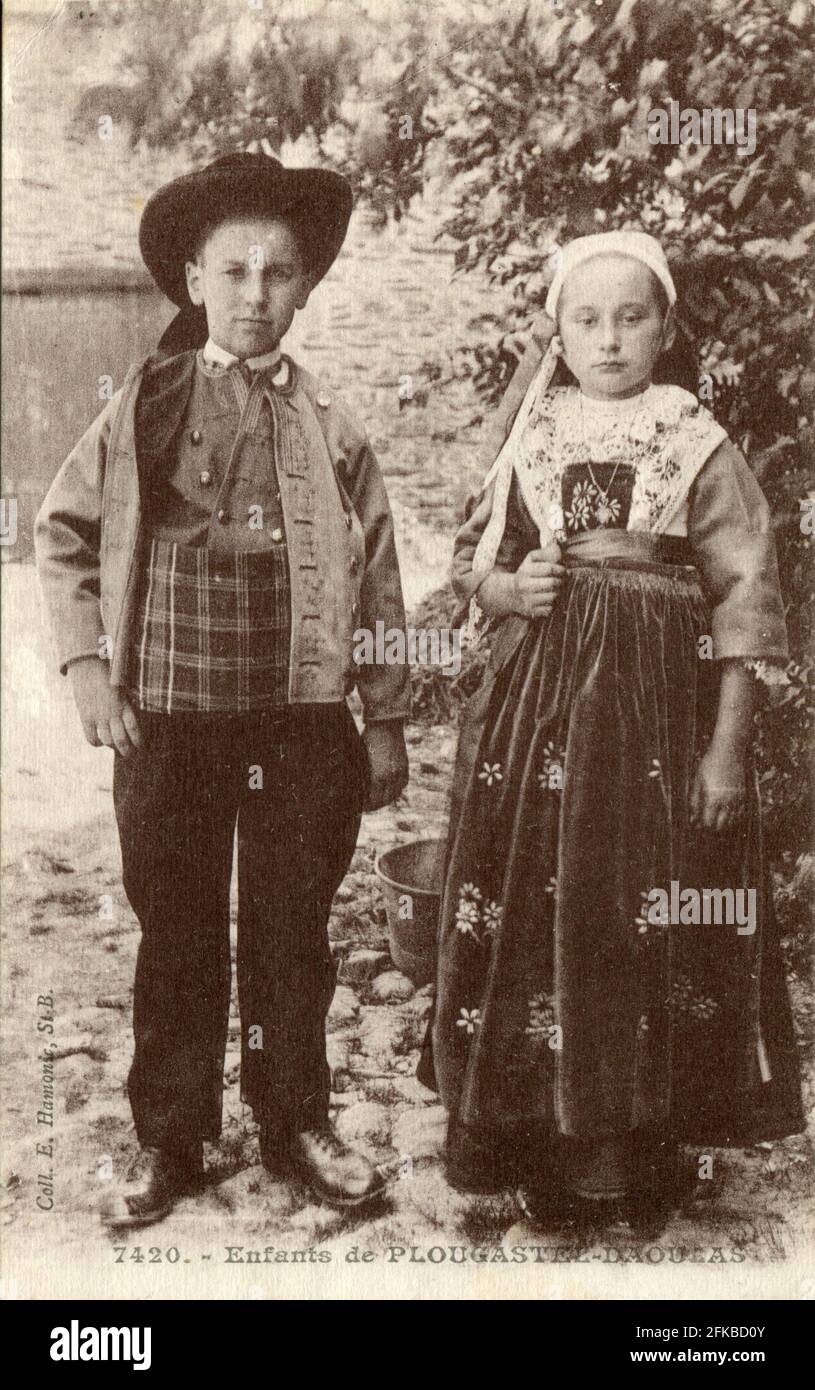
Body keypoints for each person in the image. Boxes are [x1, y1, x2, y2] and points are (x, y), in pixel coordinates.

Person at [35, 153, 410, 1226]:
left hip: (298, 725)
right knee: (178, 926)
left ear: (304, 287)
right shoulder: (142, 407)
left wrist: (381, 718)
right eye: (234, 271)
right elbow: (62, 534)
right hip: (170, 723)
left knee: (294, 928)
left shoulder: (332, 429)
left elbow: (378, 574)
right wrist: (89, 669)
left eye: (279, 274)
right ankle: (175, 1136)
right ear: (193, 280)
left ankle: (294, 1121)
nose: (257, 295)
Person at [418, 230, 803, 1233]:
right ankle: (534, 1138)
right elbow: (474, 562)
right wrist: (510, 585)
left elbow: (746, 596)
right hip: (537, 719)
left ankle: (632, 1148)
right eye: (584, 319)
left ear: (663, 327)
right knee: (538, 909)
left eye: (631, 316)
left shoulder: (691, 441)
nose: (608, 338)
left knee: (638, 916)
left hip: (653, 720)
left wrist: (722, 748)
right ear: (554, 329)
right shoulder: (530, 437)